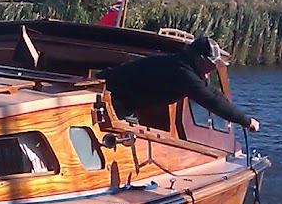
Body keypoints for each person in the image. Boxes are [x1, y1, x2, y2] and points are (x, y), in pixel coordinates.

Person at [101, 36, 260, 132]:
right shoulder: (183, 73)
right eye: (212, 65)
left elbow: (213, 93)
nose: (213, 69)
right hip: (110, 96)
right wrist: (245, 121)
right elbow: (209, 100)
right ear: (199, 59)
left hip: (124, 100)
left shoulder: (185, 66)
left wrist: (242, 117)